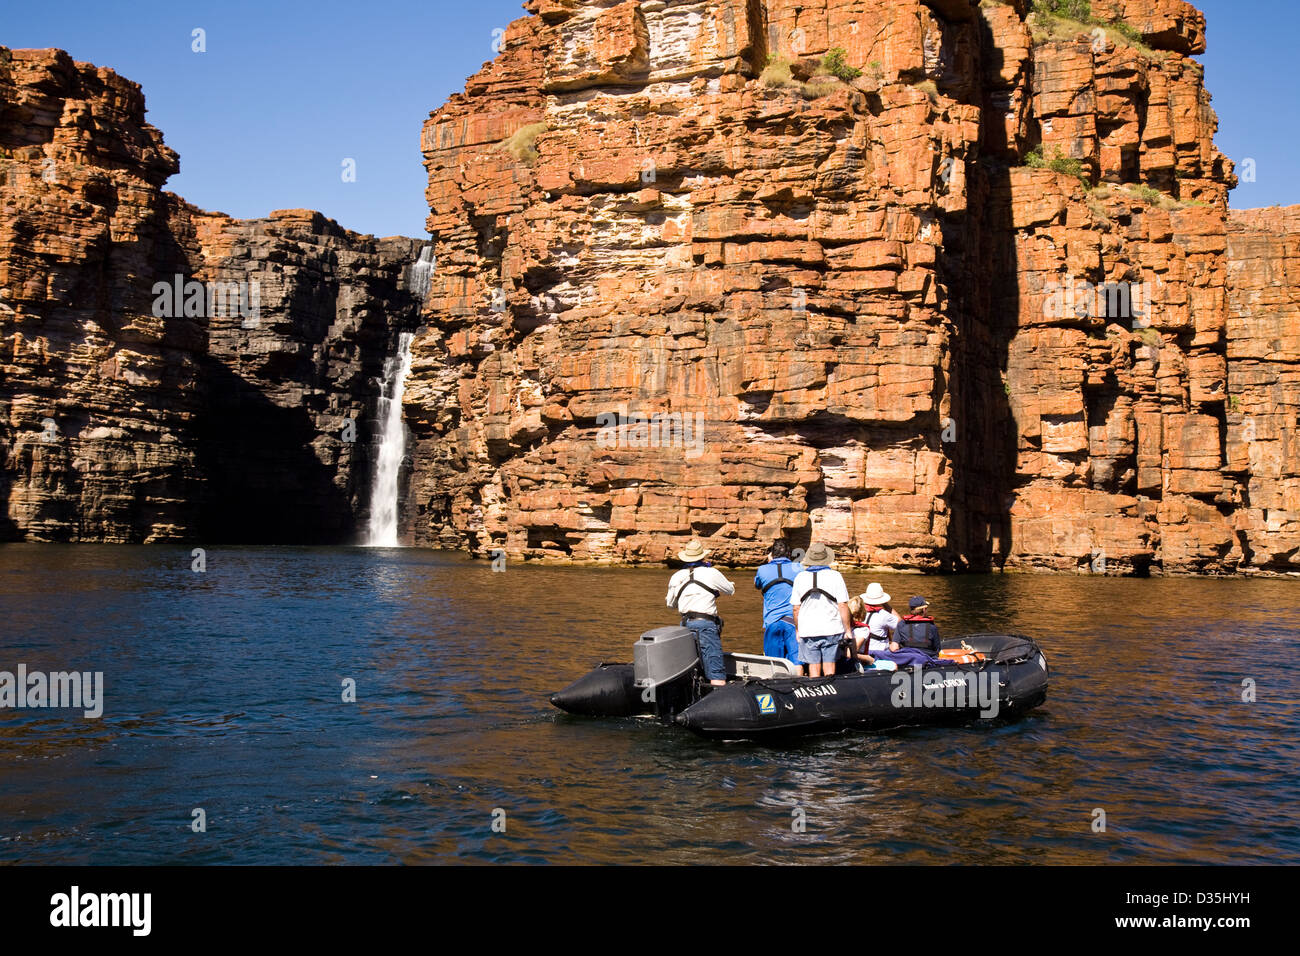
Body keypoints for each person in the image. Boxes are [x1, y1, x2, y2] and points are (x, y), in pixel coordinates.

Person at [665, 538, 735, 686]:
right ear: (702, 556)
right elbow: (730, 590)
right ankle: (718, 698)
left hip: (685, 626)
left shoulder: (676, 576)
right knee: (716, 670)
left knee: (690, 669)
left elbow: (670, 604)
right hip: (706, 625)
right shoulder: (711, 573)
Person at [789, 542, 853, 678]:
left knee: (813, 666)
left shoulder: (800, 577)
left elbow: (795, 608)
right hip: (832, 628)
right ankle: (831, 690)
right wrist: (848, 630)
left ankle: (815, 689)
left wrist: (797, 630)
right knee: (830, 666)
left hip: (808, 630)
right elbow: (843, 605)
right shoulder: (835, 576)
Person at [753, 540, 804, 672]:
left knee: (774, 663)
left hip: (772, 620)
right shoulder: (797, 568)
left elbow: (758, 585)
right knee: (797, 660)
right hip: (793, 620)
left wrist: (769, 563)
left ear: (772, 554)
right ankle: (800, 687)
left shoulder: (762, 569)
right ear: (788, 554)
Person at [876, 595, 942, 669]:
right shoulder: (932, 626)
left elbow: (894, 648)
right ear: (924, 610)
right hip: (926, 659)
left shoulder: (902, 624)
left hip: (908, 660)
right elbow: (937, 649)